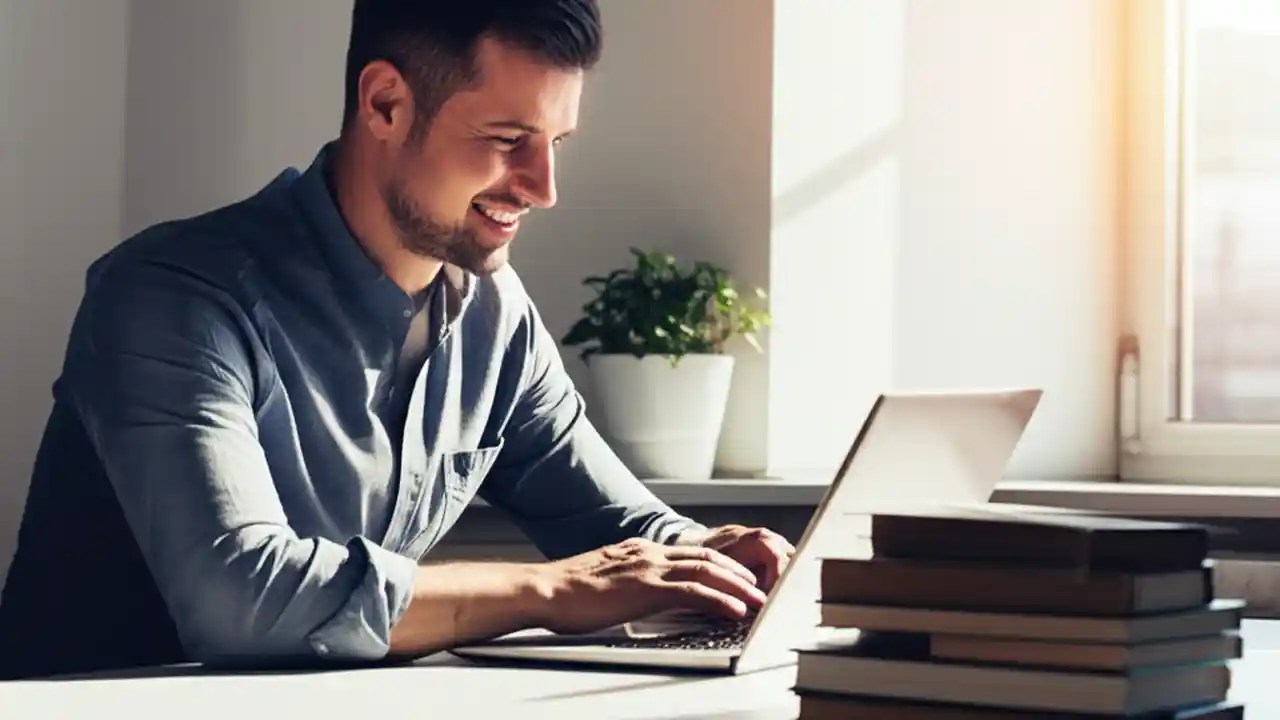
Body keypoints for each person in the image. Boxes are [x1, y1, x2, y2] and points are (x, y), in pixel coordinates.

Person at [0, 0, 794, 680]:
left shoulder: (496, 320)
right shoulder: (171, 295)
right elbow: (239, 597)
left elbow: (622, 531)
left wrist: (718, 556)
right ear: (384, 103)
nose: (543, 188)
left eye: (555, 144)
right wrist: (551, 591)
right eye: (508, 137)